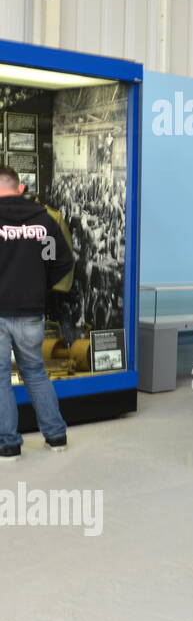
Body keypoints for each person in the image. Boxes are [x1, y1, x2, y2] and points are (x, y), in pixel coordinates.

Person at [0, 165, 75, 460]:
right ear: (20, 188)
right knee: (36, 373)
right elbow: (62, 261)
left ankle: (8, 445)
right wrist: (39, 288)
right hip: (31, 310)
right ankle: (56, 437)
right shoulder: (43, 220)